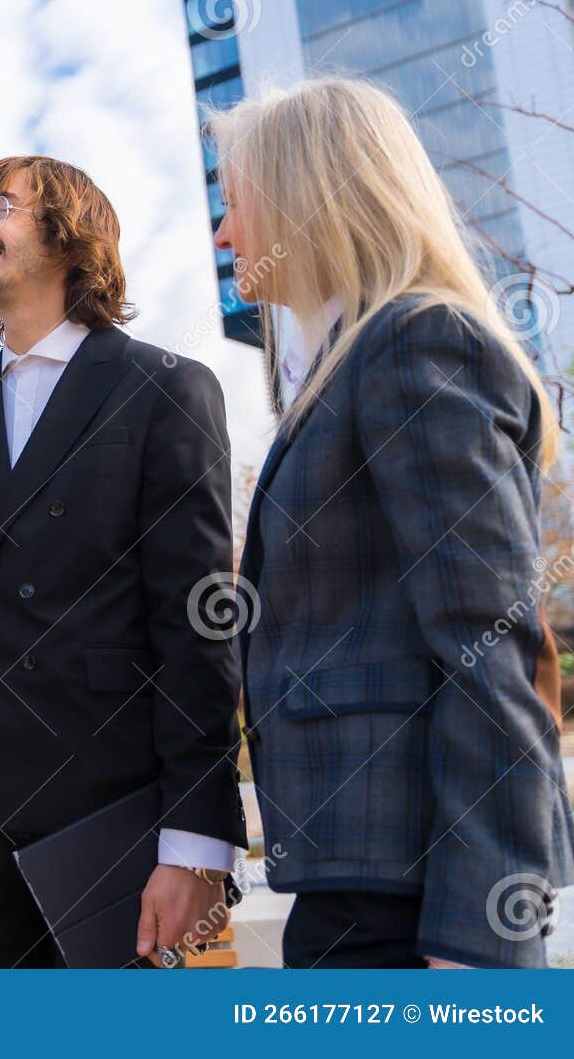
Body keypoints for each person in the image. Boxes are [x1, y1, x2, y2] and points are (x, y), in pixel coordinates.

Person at [210, 76, 574, 968]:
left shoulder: (416, 341)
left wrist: (482, 944)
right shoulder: (349, 359)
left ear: (308, 194)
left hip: (416, 904)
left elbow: (489, 646)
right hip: (357, 877)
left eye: (235, 203)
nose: (224, 235)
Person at [0, 157, 246, 968]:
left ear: (71, 234)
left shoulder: (166, 386)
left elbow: (197, 624)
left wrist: (200, 839)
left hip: (106, 816)